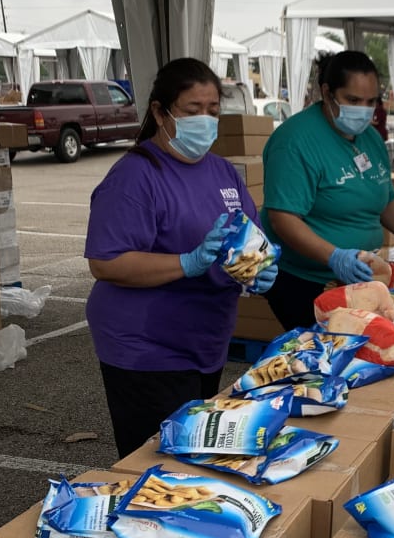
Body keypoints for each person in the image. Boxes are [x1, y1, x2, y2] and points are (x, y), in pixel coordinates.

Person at [84, 58, 278, 458]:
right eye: (193, 110)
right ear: (160, 111)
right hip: (148, 347)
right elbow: (106, 261)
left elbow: (251, 238)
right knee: (159, 458)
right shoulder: (136, 176)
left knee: (195, 451)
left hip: (205, 342)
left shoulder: (223, 173)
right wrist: (186, 263)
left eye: (213, 111)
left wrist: (261, 268)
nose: (205, 121)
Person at [260, 51, 394, 330]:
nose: (362, 110)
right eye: (353, 100)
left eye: (370, 102)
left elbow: (385, 198)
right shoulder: (295, 142)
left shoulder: (370, 139)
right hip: (305, 280)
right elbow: (283, 218)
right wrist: (334, 256)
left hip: (358, 278)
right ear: (327, 92)